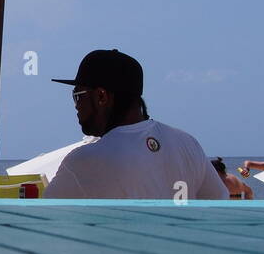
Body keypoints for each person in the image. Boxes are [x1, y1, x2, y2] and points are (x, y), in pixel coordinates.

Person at [45, 49, 228, 200]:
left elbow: (45, 222)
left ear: (101, 96)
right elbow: (219, 204)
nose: (76, 106)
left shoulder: (83, 161)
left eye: (78, 96)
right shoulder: (188, 143)